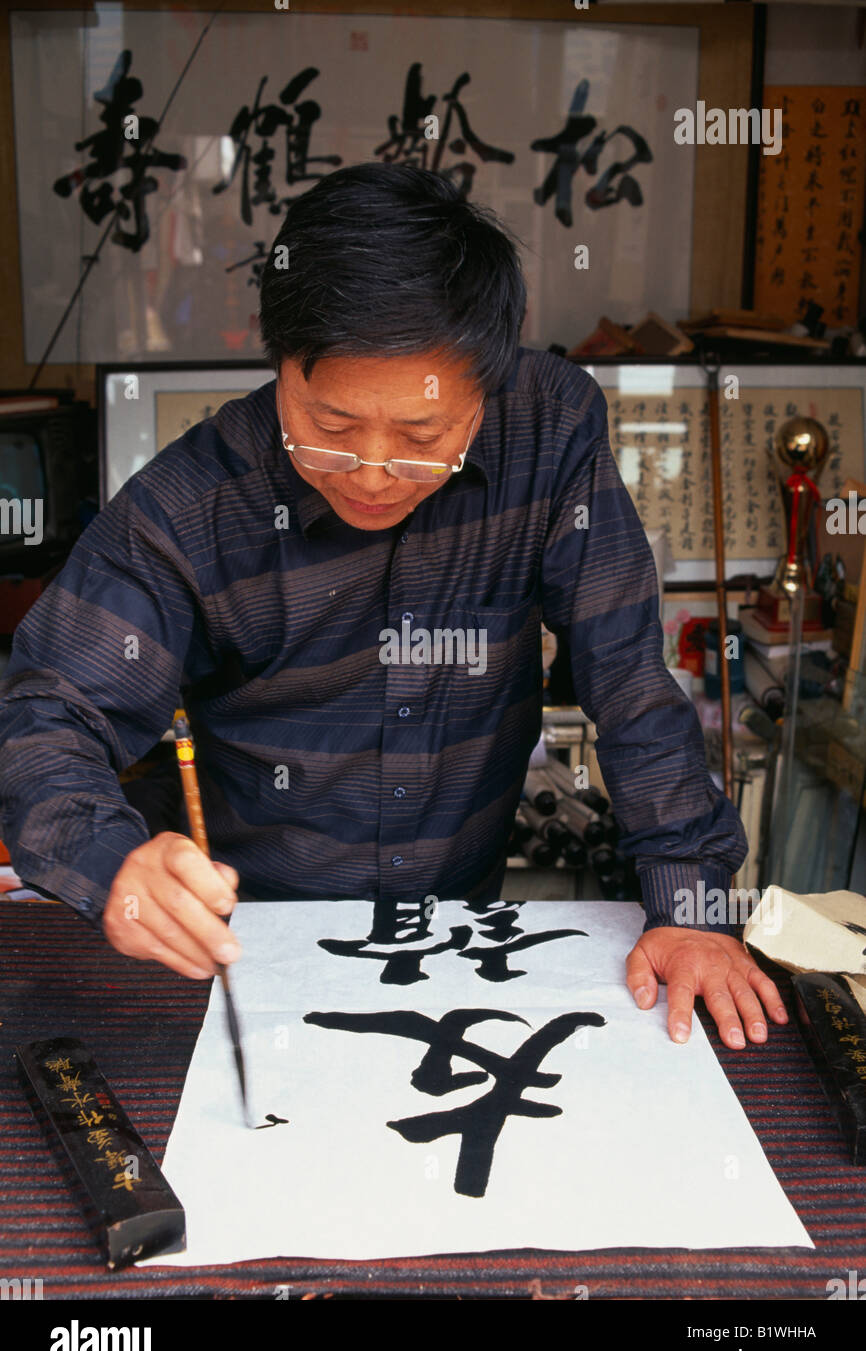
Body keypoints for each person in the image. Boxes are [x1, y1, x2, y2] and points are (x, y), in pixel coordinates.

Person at [0, 162, 786, 1050]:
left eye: (421, 439)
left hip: (461, 936)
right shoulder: (193, 508)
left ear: (487, 387)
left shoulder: (550, 432)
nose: (372, 474)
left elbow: (629, 675)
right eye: (329, 430)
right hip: (255, 950)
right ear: (278, 365)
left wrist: (689, 903)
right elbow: (47, 715)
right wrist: (115, 868)